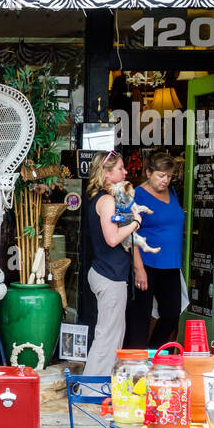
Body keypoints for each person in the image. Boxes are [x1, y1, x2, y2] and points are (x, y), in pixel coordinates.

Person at [82, 151, 142, 378]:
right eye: (120, 169)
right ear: (106, 174)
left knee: (112, 334)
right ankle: (93, 386)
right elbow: (113, 238)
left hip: (106, 272)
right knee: (108, 335)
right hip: (110, 275)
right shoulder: (106, 201)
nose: (125, 172)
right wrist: (135, 223)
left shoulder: (103, 198)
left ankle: (99, 384)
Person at [125, 151, 185, 350]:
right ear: (149, 172)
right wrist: (138, 267)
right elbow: (130, 233)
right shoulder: (136, 195)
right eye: (161, 175)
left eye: (169, 176)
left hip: (171, 264)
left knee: (171, 313)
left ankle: (153, 354)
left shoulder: (173, 193)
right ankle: (136, 364)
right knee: (140, 316)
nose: (165, 180)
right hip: (147, 264)